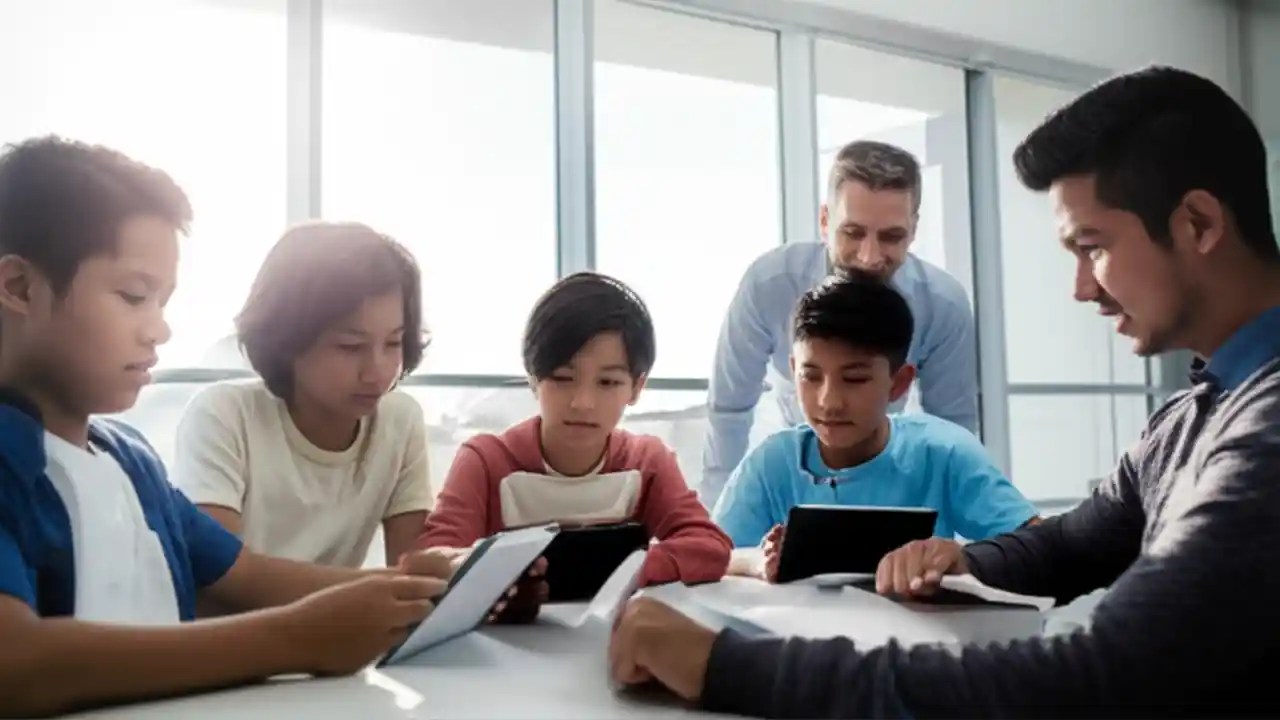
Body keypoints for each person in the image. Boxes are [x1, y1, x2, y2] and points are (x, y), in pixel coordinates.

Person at [609, 65, 1280, 715]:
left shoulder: (1265, 430)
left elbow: (1095, 675)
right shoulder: (1191, 416)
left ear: (1198, 224)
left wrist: (725, 665)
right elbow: (1069, 546)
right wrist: (961, 561)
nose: (1081, 288)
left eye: (1093, 247)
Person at [0, 137, 454, 718]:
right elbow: (13, 662)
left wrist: (407, 593)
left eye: (162, 302)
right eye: (134, 296)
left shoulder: (130, 459)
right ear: (19, 287)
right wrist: (295, 639)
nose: (159, 330)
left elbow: (244, 572)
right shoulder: (13, 457)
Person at [421, 272, 731, 614]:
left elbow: (710, 548)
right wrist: (495, 573)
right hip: (505, 641)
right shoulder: (485, 460)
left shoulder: (647, 461)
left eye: (608, 382)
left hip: (610, 637)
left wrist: (618, 568)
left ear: (637, 387)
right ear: (533, 379)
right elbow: (434, 558)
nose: (583, 402)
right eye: (562, 378)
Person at [701, 140, 978, 509]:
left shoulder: (944, 305)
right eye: (853, 232)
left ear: (913, 229)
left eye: (891, 236)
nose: (869, 257)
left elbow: (954, 431)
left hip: (891, 481)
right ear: (824, 221)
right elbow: (729, 410)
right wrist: (716, 525)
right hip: (786, 475)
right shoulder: (769, 285)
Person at [712, 276, 1035, 577]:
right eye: (810, 376)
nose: (829, 402)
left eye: (854, 379)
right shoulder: (772, 462)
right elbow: (709, 556)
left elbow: (1037, 546)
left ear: (899, 383)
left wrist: (961, 558)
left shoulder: (943, 452)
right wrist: (757, 561)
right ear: (793, 369)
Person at [173, 222, 433, 568]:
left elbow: (412, 572)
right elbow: (219, 575)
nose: (377, 372)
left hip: (344, 607)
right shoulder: (223, 416)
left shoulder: (400, 420)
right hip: (242, 610)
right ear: (287, 340)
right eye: (350, 346)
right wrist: (377, 587)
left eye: (393, 343)